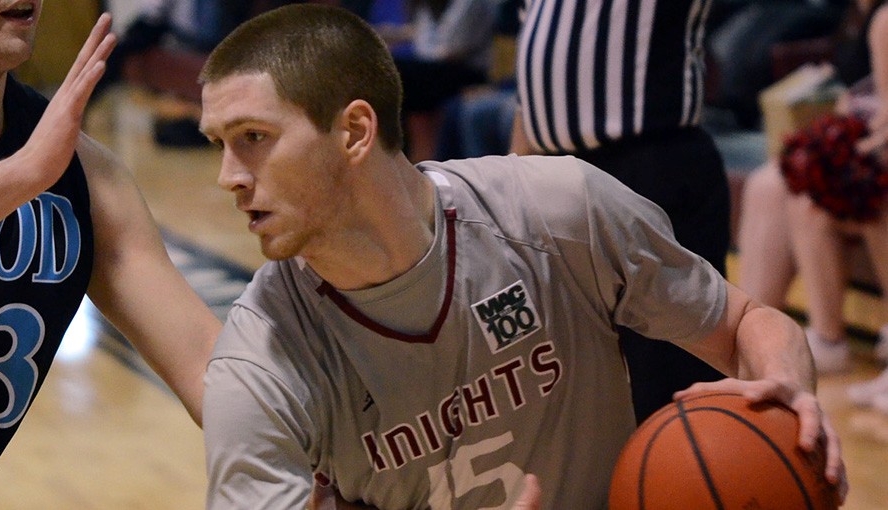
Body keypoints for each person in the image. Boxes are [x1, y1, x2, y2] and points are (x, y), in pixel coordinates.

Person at [198, 5, 846, 509]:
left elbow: (746, 324)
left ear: (355, 131)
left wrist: (786, 393)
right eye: (219, 144)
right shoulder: (257, 365)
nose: (228, 176)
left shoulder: (559, 210)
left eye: (253, 138)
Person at [0, 7, 220, 480]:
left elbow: (203, 364)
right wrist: (23, 174)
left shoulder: (80, 173)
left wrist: (330, 459)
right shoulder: (42, 163)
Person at [509, 0, 730, 424]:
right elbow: (533, 75)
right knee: (577, 375)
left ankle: (685, 488)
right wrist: (513, 182)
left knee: (668, 380)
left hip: (650, 165)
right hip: (555, 174)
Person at [737, 0, 888, 399]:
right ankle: (753, 337)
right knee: (776, 182)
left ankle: (826, 339)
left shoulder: (883, 20)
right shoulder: (856, 17)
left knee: (846, 191)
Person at [375, 0, 497, 162]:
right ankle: (401, 152)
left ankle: (415, 155)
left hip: (467, 72)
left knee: (404, 74)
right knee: (392, 71)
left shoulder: (470, 3)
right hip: (436, 67)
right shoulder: (428, 6)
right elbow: (424, 46)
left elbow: (453, 48)